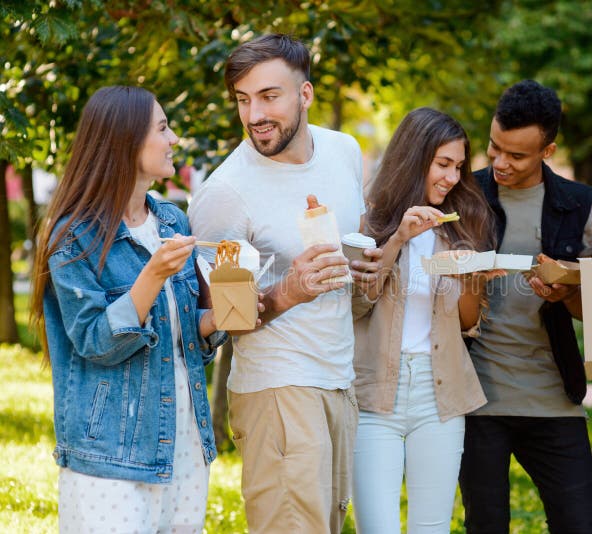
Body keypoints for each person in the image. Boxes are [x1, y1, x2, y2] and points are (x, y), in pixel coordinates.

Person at [187, 33, 380, 534]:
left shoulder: (342, 151)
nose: (254, 115)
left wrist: (369, 269)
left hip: (339, 378)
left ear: (306, 95)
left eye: (269, 96)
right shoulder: (226, 195)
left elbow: (351, 254)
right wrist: (289, 290)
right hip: (277, 389)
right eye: (243, 100)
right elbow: (221, 320)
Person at [30, 85, 227, 532]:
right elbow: (94, 341)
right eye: (162, 128)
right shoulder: (74, 237)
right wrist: (153, 274)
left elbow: (178, 333)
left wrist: (216, 320)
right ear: (125, 140)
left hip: (185, 441)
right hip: (112, 453)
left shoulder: (173, 220)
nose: (174, 139)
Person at [458, 80, 592, 533]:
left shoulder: (578, 204)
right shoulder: (464, 195)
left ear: (548, 150)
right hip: (478, 399)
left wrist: (567, 292)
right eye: (494, 148)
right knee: (487, 524)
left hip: (554, 398)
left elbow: (589, 310)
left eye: (516, 155)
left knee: (579, 523)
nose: (500, 163)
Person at [350, 107, 498, 533]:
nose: (452, 177)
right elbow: (359, 303)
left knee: (430, 528)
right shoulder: (369, 220)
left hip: (440, 394)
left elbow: (468, 323)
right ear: (416, 159)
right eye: (443, 164)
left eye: (458, 167)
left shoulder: (463, 224)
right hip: (376, 395)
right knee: (377, 527)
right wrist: (398, 239)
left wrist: (473, 278)